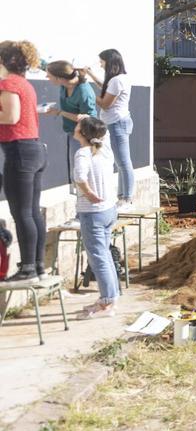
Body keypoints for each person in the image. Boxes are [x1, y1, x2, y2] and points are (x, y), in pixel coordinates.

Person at [0, 41, 48, 284]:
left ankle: (28, 270)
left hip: (19, 152)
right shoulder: (24, 83)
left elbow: (11, 116)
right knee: (32, 212)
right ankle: (37, 266)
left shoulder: (8, 83)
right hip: (34, 149)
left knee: (22, 213)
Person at [72, 117, 120, 318]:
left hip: (92, 213)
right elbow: (103, 132)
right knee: (105, 254)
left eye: (78, 126)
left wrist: (89, 193)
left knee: (98, 257)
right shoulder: (105, 150)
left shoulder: (83, 153)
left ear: (83, 133)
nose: (75, 127)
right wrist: (86, 119)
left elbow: (80, 177)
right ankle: (111, 297)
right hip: (109, 210)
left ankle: (107, 302)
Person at [83, 49, 134, 210]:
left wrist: (87, 92)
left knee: (123, 162)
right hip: (118, 122)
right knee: (121, 162)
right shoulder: (118, 79)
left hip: (117, 123)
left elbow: (105, 104)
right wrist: (90, 74)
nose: (100, 65)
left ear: (109, 62)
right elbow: (105, 87)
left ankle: (127, 199)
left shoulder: (117, 81)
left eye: (102, 62)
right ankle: (122, 197)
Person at [44, 60, 98, 187]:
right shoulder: (64, 85)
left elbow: (88, 119)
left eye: (49, 75)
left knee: (83, 173)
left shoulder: (84, 92)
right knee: (76, 173)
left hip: (85, 136)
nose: (46, 77)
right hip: (73, 133)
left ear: (59, 78)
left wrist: (59, 112)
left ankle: (88, 197)